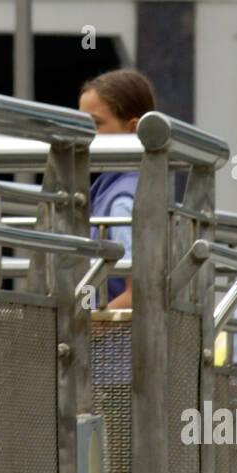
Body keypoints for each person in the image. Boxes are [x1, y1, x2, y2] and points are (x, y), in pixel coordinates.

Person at [78, 68, 155, 310]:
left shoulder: (122, 200)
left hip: (113, 344)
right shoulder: (118, 188)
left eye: (95, 124)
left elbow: (137, 295)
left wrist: (82, 332)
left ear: (133, 130)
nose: (84, 134)